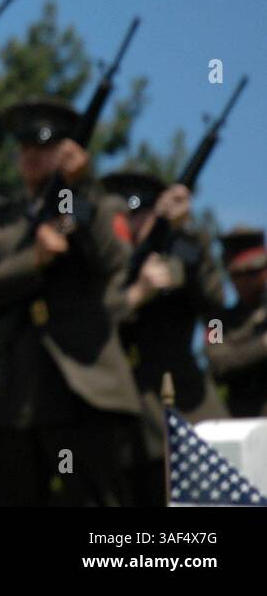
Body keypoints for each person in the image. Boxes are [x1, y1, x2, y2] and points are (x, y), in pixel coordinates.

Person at [0, 98, 142, 506]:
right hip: (18, 394)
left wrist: (81, 188)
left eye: (45, 146)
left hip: (88, 386)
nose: (32, 156)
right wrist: (33, 260)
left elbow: (115, 264)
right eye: (25, 146)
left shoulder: (97, 204)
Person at [100, 170, 226, 506]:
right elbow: (92, 325)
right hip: (124, 427)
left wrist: (183, 231)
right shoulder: (102, 266)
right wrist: (137, 294)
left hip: (186, 409)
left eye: (141, 215)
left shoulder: (179, 249)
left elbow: (213, 303)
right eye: (125, 218)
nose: (134, 226)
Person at [207, 233, 267, 419]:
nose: (253, 281)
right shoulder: (216, 322)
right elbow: (218, 361)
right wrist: (262, 345)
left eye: (258, 272)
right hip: (243, 418)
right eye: (243, 274)